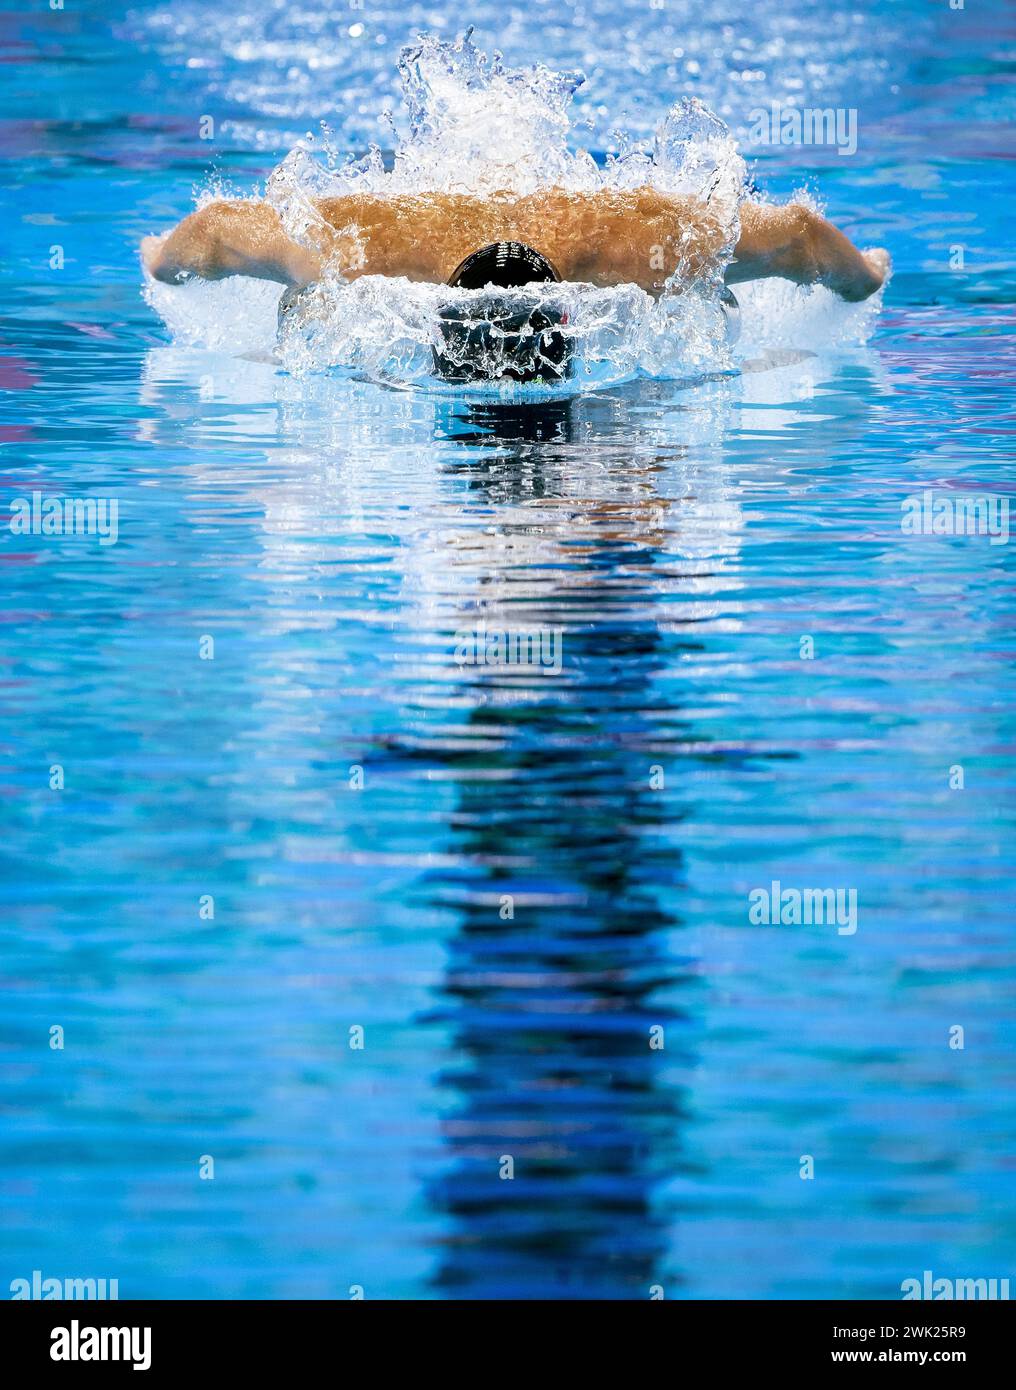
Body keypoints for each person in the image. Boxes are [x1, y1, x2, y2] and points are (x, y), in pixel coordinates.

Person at [141, 188, 890, 382]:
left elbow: (799, 237)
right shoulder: (352, 250)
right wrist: (158, 259)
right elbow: (210, 233)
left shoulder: (644, 249)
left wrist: (863, 278)